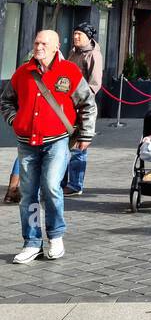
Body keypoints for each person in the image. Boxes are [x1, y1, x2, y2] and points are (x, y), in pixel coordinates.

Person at [0, 29, 97, 264]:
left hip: (57, 141)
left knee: (52, 187)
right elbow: (6, 101)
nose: (38, 46)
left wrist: (85, 134)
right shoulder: (23, 73)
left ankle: (55, 236)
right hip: (27, 144)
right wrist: (16, 121)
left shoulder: (69, 72)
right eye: (36, 42)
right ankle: (32, 243)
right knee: (28, 194)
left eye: (44, 43)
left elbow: (87, 103)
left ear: (56, 47)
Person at [64, 22, 103, 196]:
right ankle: (62, 181)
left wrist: (81, 99)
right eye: (74, 34)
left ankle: (75, 184)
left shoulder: (93, 54)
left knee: (80, 146)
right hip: (66, 104)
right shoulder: (73, 52)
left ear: (88, 36)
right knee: (65, 144)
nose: (75, 37)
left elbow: (95, 84)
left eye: (79, 34)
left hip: (82, 106)